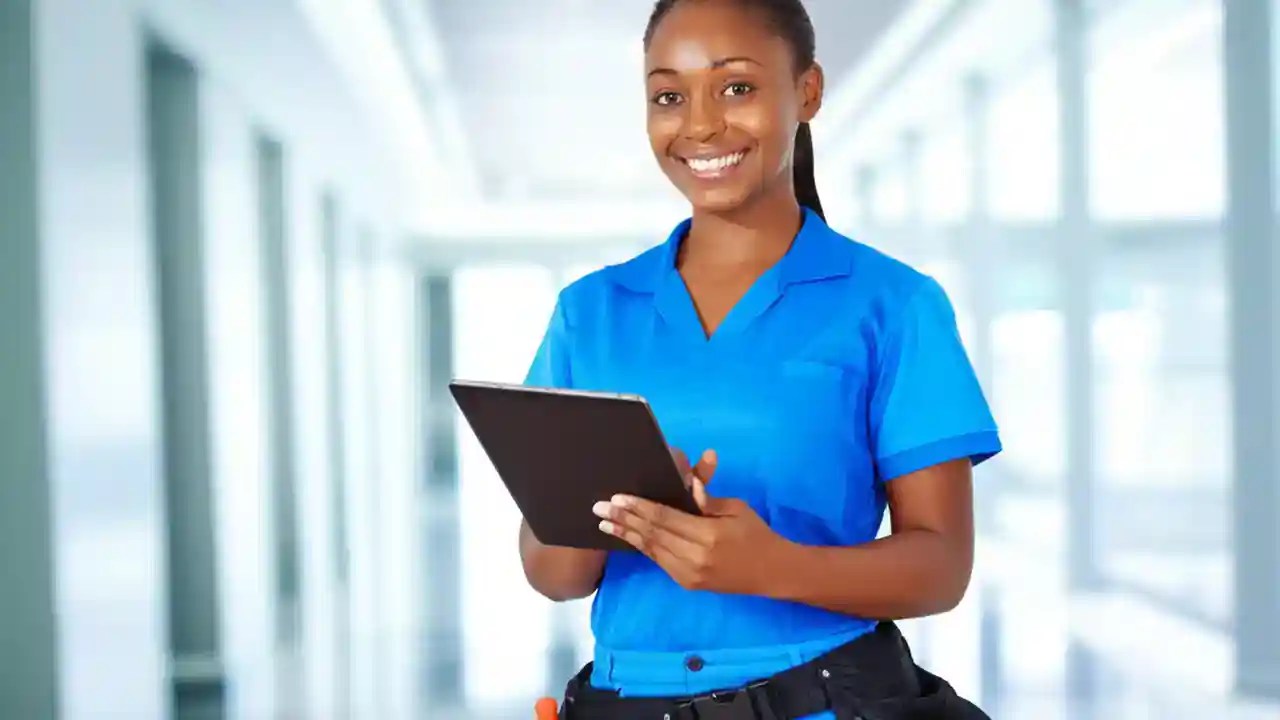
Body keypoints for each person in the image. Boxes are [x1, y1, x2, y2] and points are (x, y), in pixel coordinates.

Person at [520, 1, 1001, 718]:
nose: (701, 123)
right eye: (669, 96)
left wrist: (771, 566)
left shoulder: (891, 304)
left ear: (807, 91)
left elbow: (941, 566)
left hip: (823, 699)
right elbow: (554, 573)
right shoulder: (590, 313)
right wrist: (618, 508)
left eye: (736, 87)